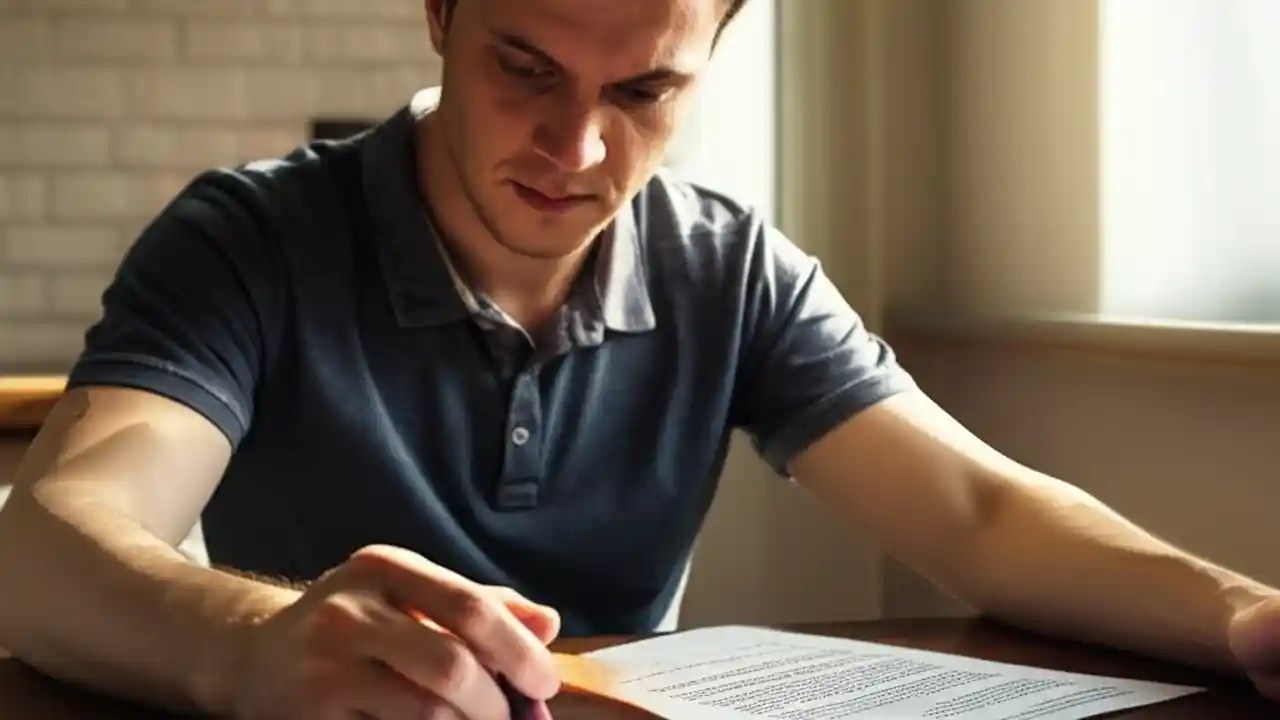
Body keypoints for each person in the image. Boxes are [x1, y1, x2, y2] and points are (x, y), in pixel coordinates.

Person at [0, 0, 1277, 718]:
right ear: (439, 14)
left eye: (642, 94)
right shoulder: (247, 240)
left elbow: (978, 513)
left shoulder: (729, 266)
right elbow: (48, 544)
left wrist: (1243, 616)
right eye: (524, 68)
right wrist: (250, 648)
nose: (573, 150)